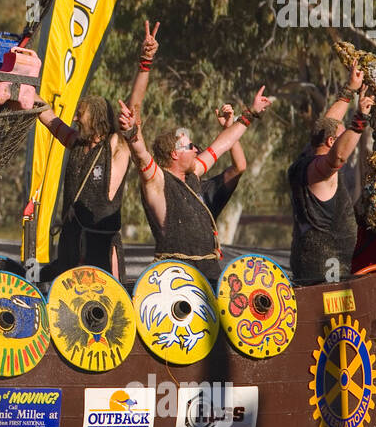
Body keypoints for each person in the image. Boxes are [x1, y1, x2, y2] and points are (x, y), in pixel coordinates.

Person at [36, 21, 161, 282]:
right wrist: (26, 94)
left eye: (81, 115)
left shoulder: (116, 147)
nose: (76, 119)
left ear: (97, 118)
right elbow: (48, 118)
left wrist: (145, 62)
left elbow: (134, 105)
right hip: (71, 244)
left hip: (101, 249)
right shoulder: (76, 143)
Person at [118, 86, 273, 283]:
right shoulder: (157, 182)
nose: (196, 150)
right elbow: (141, 156)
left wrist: (250, 114)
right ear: (175, 154)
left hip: (210, 275)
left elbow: (222, 144)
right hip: (177, 282)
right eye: (190, 147)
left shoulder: (192, 174)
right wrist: (132, 134)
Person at [289, 63, 374, 285]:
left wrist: (349, 89)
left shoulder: (303, 158)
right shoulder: (319, 170)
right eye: (342, 134)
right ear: (331, 142)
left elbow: (326, 125)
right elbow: (337, 157)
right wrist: (359, 119)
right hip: (327, 270)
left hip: (309, 263)